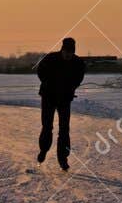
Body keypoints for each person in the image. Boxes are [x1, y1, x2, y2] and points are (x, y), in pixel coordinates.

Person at [35, 37, 85, 171]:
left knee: (64, 129)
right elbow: (40, 72)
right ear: (62, 50)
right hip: (48, 97)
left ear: (73, 52)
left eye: (71, 52)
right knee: (47, 126)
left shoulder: (78, 63)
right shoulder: (50, 58)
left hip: (64, 99)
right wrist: (48, 84)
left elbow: (78, 78)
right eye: (66, 52)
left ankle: (63, 159)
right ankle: (43, 150)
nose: (68, 55)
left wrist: (70, 88)